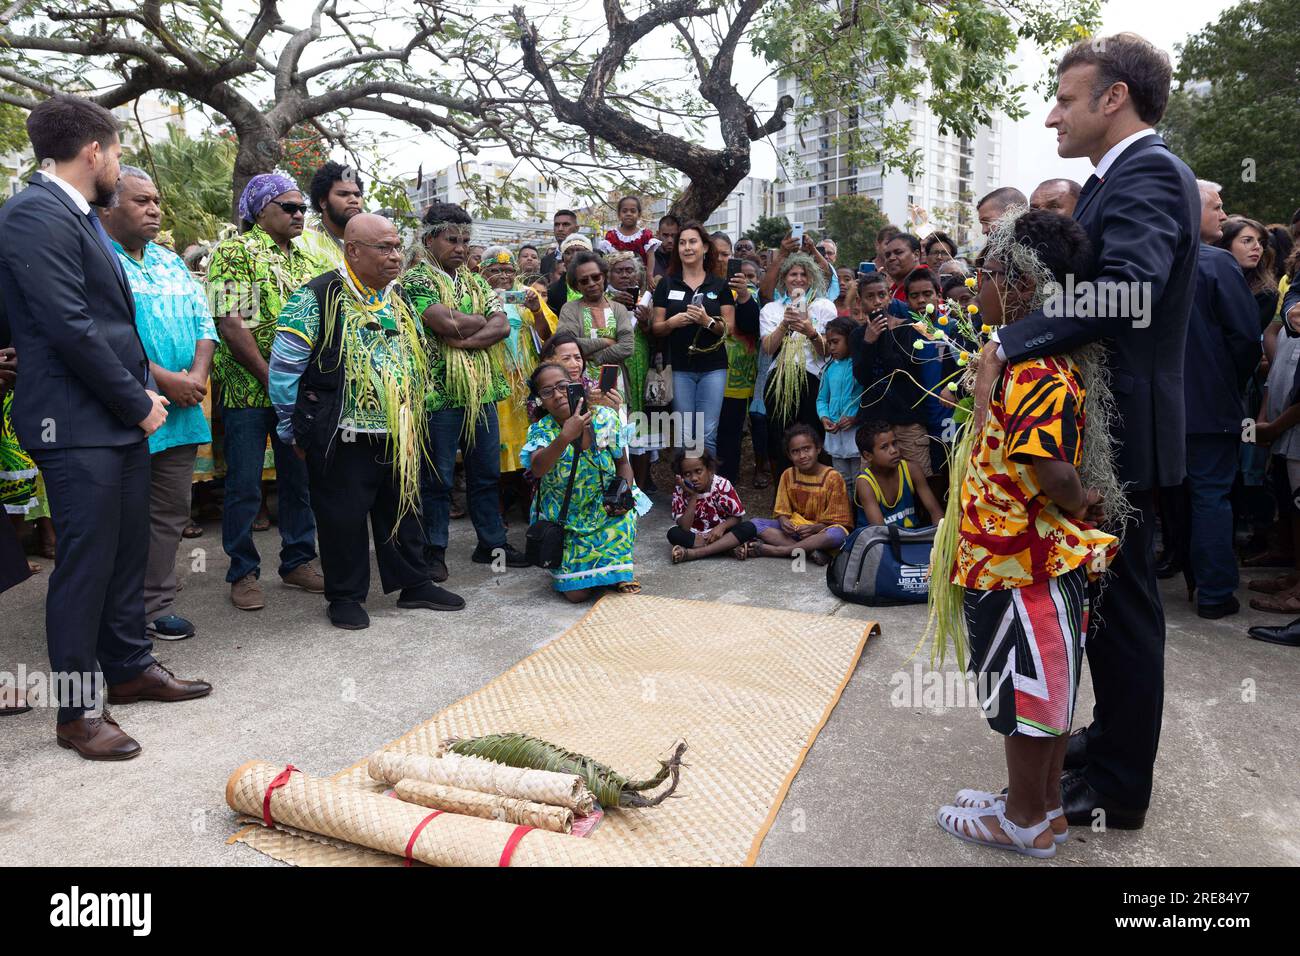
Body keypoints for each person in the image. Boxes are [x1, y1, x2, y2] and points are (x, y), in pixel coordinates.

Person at [970, 33, 1202, 830]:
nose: (1051, 114)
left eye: (1066, 98)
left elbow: (1128, 290)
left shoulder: (1147, 172)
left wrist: (1011, 341)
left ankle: (1116, 788)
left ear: (1114, 98)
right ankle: (1105, 751)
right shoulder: (1117, 178)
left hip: (1125, 429)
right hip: (1116, 423)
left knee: (1124, 614)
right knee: (1107, 608)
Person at [0, 94, 211, 759]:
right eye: (118, 152)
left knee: (123, 555)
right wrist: (137, 397)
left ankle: (129, 668)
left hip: (110, 420)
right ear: (94, 151)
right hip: (77, 420)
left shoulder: (77, 214)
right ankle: (77, 713)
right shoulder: (33, 214)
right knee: (85, 567)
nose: (120, 166)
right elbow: (69, 325)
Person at [938, 207, 1120, 858]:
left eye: (985, 273)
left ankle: (1019, 820)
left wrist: (1082, 495)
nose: (975, 286)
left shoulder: (1034, 371)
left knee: (1029, 693)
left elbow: (1050, 469)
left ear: (1018, 286)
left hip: (1023, 565)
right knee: (1039, 688)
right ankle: (1040, 809)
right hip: (1015, 561)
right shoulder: (1030, 363)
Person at [269, 214, 463, 629]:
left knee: (404, 509)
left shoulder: (396, 297)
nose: (396, 256)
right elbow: (284, 369)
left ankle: (414, 583)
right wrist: (292, 429)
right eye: (385, 249)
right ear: (353, 250)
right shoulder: (317, 296)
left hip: (400, 430)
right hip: (342, 432)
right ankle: (345, 596)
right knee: (343, 517)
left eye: (397, 247)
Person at [100, 166, 218, 641]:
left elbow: (204, 323)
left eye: (157, 201)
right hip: (124, 410)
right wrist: (162, 379)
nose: (154, 209)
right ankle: (112, 610)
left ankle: (154, 605)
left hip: (182, 410)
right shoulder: (96, 258)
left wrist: (195, 376)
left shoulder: (170, 261)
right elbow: (98, 336)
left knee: (169, 512)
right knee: (114, 517)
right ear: (109, 205)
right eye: (141, 201)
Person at [207, 172, 325, 610]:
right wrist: (272, 379)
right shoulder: (236, 252)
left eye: (302, 208)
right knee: (244, 484)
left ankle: (297, 562)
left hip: (300, 391)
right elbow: (232, 323)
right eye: (289, 207)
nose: (299, 215)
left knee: (300, 479)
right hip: (248, 390)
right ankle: (243, 572)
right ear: (260, 210)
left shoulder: (307, 258)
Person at [402, 202, 529, 580]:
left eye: (465, 240)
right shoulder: (416, 281)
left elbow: (503, 325)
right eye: (452, 240)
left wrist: (465, 339)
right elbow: (443, 321)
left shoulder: (475, 281)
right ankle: (433, 550)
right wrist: (472, 325)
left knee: (485, 474)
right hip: (438, 395)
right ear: (429, 239)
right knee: (437, 478)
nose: (460, 247)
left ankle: (491, 544)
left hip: (483, 392)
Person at [1164, 206, 1261, 619]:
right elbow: (1246, 339)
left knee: (1173, 495)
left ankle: (1190, 576)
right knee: (1210, 495)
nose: (1223, 215)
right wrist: (1230, 384)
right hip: (1209, 406)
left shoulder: (1148, 260)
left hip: (1161, 406)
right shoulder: (1216, 263)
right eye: (1216, 207)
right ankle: (1215, 592)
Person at [520, 363, 649, 600]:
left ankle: (616, 570)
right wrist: (565, 436)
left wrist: (623, 493)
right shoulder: (541, 430)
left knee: (623, 517)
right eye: (547, 392)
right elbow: (537, 469)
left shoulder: (604, 418)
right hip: (565, 519)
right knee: (577, 595)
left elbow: (623, 464)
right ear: (540, 400)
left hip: (604, 511)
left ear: (574, 385)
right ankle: (604, 571)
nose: (557, 395)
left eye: (562, 386)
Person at [651, 221, 736, 457]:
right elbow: (656, 328)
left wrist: (707, 321)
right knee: (685, 432)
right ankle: (683, 488)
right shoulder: (667, 284)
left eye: (693, 242)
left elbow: (729, 328)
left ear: (706, 247)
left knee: (707, 432)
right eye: (682, 243)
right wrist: (671, 323)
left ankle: (705, 490)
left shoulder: (719, 285)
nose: (687, 247)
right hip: (679, 367)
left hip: (713, 367)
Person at [478, 245, 553, 487]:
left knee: (528, 436)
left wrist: (536, 310)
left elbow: (548, 337)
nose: (503, 275)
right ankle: (499, 499)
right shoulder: (475, 294)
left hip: (524, 380)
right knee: (494, 440)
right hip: (491, 380)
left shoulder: (527, 293)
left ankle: (526, 494)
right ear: (482, 271)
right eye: (496, 269)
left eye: (509, 270)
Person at [759, 254, 835, 477]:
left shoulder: (824, 306)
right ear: (784, 278)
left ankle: (816, 491)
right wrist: (785, 323)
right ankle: (784, 494)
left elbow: (828, 350)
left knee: (813, 436)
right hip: (779, 381)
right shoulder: (771, 309)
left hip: (813, 379)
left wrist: (810, 331)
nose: (799, 279)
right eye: (793, 274)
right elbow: (768, 348)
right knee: (781, 438)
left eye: (804, 274)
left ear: (811, 278)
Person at [739, 425, 851, 565]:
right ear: (789, 455)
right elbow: (781, 511)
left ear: (818, 448)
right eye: (795, 451)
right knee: (756, 523)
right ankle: (810, 551)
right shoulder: (788, 475)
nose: (802, 455)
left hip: (820, 532)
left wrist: (815, 528)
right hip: (796, 531)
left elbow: (840, 521)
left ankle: (780, 551)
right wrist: (784, 521)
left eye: (806, 449)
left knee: (837, 534)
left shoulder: (833, 477)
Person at [556, 252, 635, 385]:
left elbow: (627, 347)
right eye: (584, 281)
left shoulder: (618, 308)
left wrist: (594, 357)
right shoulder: (570, 309)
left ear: (604, 277)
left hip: (616, 383)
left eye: (596, 277)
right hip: (579, 381)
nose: (591, 283)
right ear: (577, 286)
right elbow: (566, 345)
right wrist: (606, 342)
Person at [667, 449, 757, 563]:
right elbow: (685, 527)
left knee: (749, 527)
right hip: (696, 536)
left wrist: (722, 527)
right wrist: (694, 495)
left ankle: (694, 553)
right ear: (681, 476)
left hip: (721, 533)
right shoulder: (680, 491)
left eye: (698, 471)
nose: (694, 478)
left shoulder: (722, 485)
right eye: (687, 474)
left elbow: (737, 517)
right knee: (673, 534)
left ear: (709, 470)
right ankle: (726, 549)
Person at [854, 421, 942, 528]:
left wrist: (940, 540)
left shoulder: (911, 469)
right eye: (884, 447)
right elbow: (880, 531)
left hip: (912, 537)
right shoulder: (865, 482)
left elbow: (935, 512)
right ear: (868, 456)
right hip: (879, 540)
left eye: (894, 443)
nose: (894, 451)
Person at [817, 318, 865, 487]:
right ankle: (845, 513)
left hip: (856, 433)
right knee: (842, 479)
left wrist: (855, 417)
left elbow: (867, 395)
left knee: (860, 477)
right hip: (835, 434)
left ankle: (860, 512)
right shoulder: (829, 369)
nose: (831, 347)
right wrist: (824, 418)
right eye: (829, 343)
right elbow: (822, 399)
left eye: (835, 342)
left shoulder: (860, 365)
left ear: (851, 339)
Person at [1216, 216, 1279, 327]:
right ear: (1225, 244)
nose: (1257, 247)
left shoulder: (1266, 293)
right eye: (1247, 241)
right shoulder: (1203, 278)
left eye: (1261, 242)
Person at [300, 161, 364, 268]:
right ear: (323, 202)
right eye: (343, 194)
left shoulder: (368, 245)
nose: (354, 200)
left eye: (357, 195)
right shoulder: (304, 241)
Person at [602, 196, 659, 279]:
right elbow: (608, 259)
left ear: (639, 214)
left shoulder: (645, 235)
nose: (628, 214)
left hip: (640, 279)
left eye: (633, 211)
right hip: (618, 279)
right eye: (624, 211)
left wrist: (649, 275)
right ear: (619, 215)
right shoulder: (612, 236)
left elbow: (650, 256)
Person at [546, 233, 593, 315]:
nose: (574, 256)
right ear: (563, 259)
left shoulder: (601, 285)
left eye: (579, 251)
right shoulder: (552, 292)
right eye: (568, 252)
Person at [880, 233, 922, 302]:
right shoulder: (892, 289)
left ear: (916, 255)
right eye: (887, 255)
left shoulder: (925, 284)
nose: (891, 258)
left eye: (898, 252)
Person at [539, 209, 580, 278]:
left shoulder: (591, 256)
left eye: (566, 224)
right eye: (556, 225)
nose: (560, 229)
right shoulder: (545, 261)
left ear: (576, 229)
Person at [652, 214, 680, 282]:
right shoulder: (650, 257)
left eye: (673, 235)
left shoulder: (684, 257)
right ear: (658, 234)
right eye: (665, 235)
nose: (670, 240)